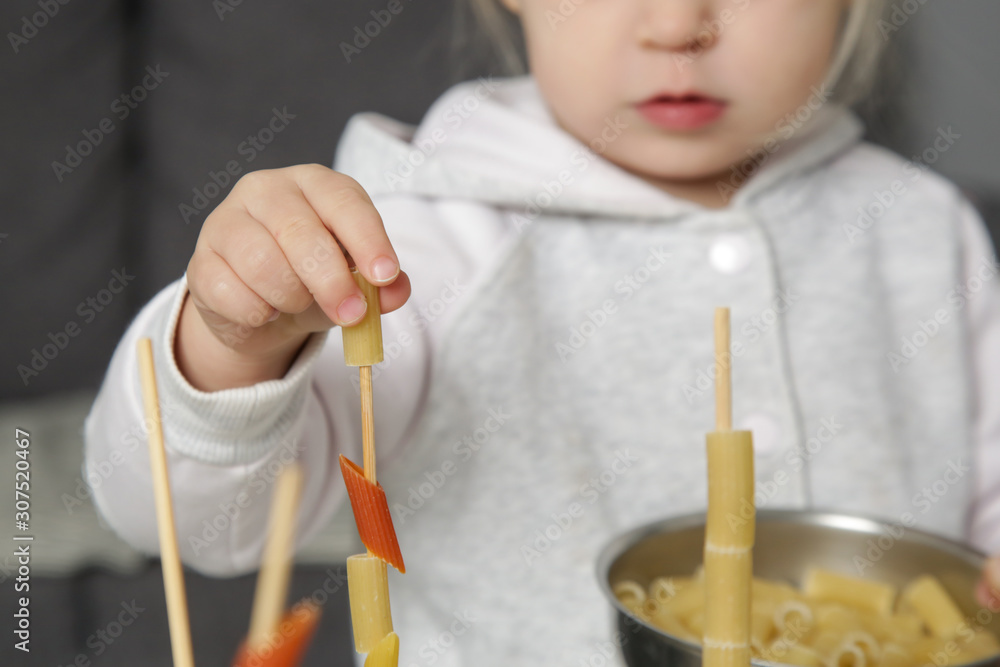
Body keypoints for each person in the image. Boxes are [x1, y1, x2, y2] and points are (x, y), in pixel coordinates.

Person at [85, 0, 1000, 663]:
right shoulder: (419, 243)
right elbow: (204, 524)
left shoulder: (927, 227)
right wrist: (235, 347)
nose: (677, 25)